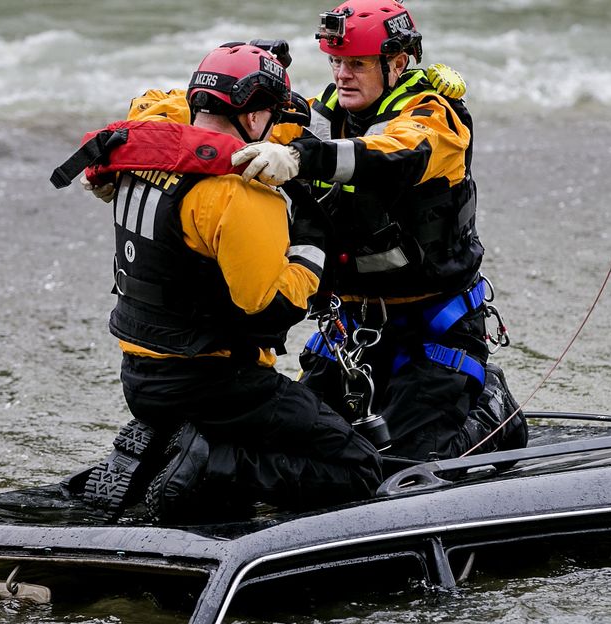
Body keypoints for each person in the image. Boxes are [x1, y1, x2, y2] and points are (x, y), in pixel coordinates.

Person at [61, 43, 382, 523]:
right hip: (217, 384)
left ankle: (173, 447)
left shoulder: (138, 161)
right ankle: (209, 461)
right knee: (358, 468)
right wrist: (312, 247)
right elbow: (269, 308)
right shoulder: (240, 192)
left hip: (141, 376)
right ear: (254, 119)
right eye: (271, 115)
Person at [231, 0, 529, 461]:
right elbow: (219, 117)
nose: (341, 74)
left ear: (397, 63)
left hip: (434, 328)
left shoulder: (436, 119)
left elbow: (387, 154)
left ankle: (494, 408)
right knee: (294, 446)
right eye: (335, 61)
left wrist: (299, 158)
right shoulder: (321, 113)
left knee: (413, 464)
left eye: (357, 64)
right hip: (351, 328)